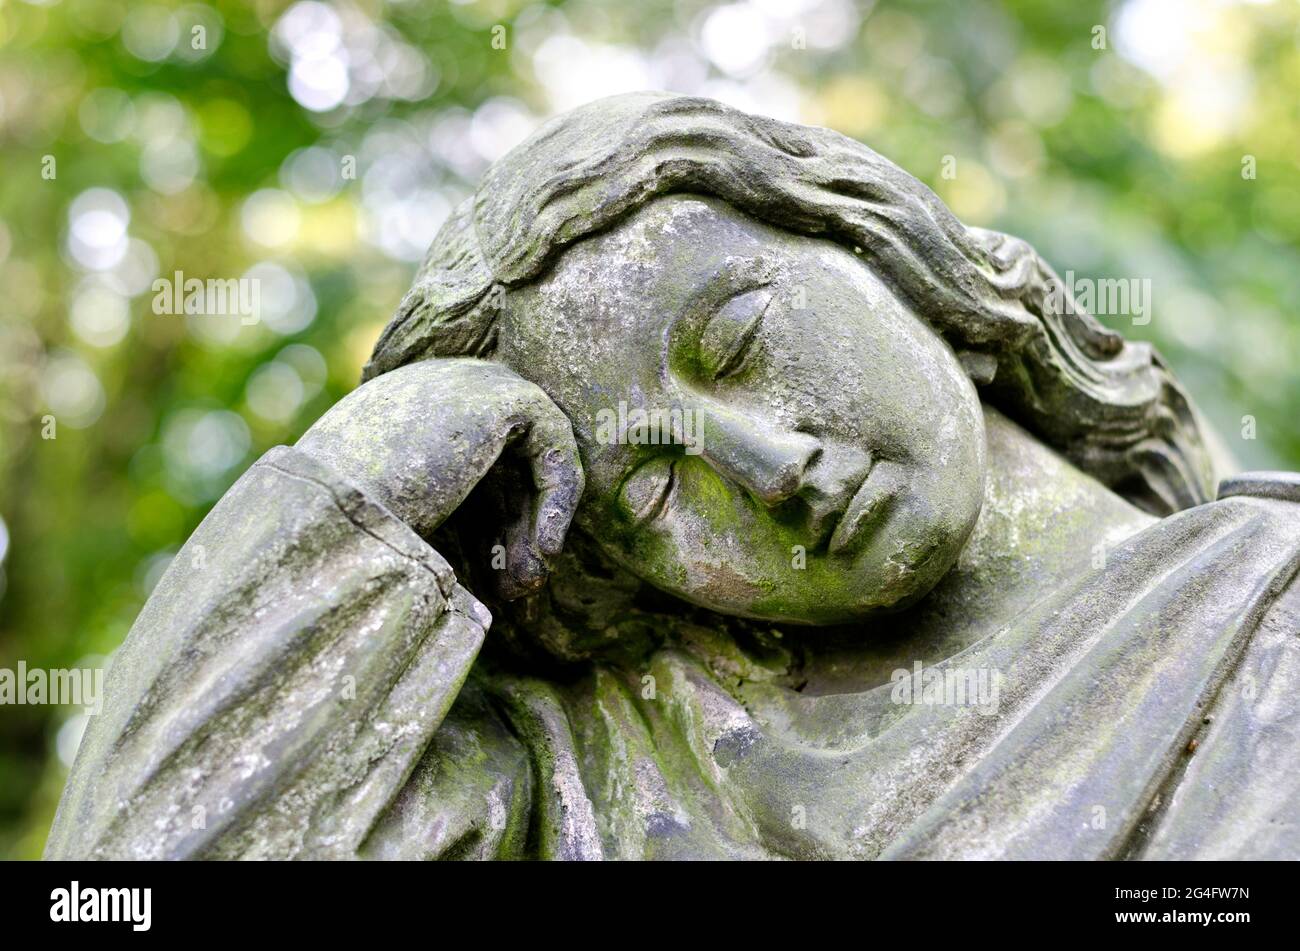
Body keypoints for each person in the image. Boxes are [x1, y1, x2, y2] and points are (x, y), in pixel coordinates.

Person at [47, 93, 1300, 860]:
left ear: (878, 248)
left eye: (740, 343)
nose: (772, 472)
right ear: (616, 574)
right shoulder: (593, 789)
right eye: (648, 491)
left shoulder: (1273, 618)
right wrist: (357, 487)